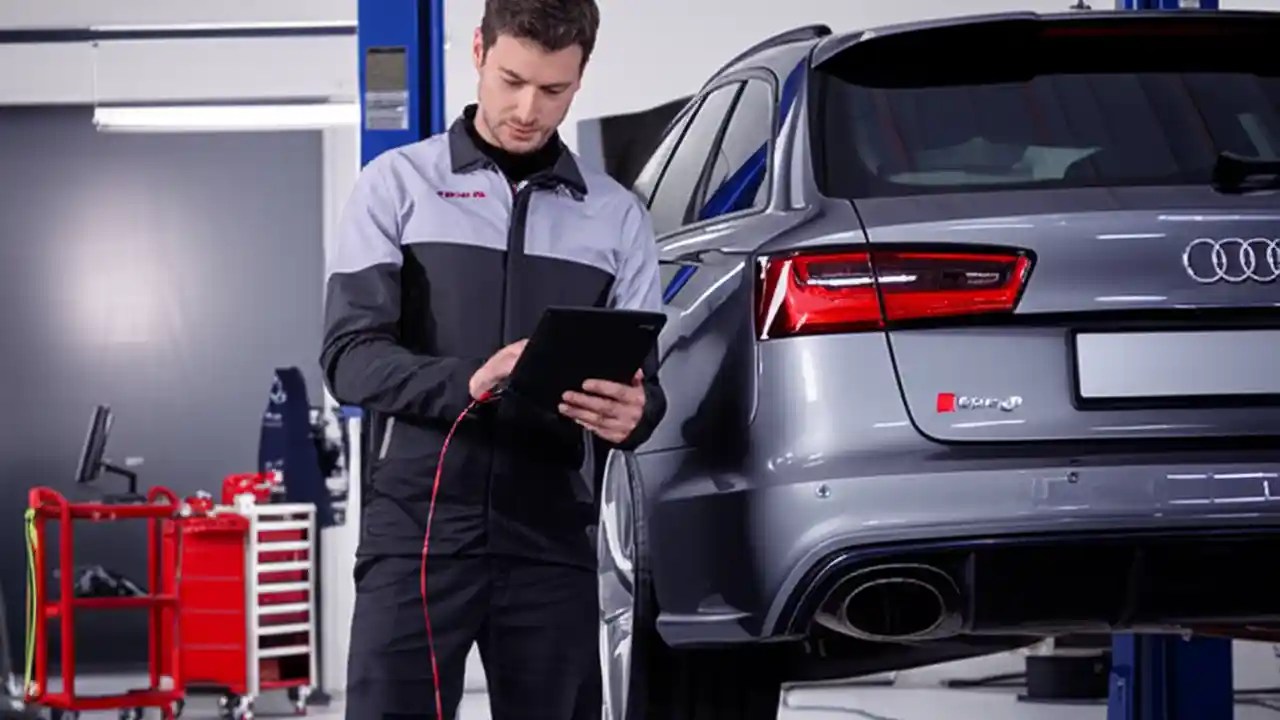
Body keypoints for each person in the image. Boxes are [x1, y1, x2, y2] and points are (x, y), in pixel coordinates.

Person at [320, 0, 666, 717]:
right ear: (477, 48)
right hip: (416, 537)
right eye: (511, 79)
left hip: (550, 543)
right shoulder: (396, 186)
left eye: (553, 90)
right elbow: (348, 359)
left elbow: (644, 388)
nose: (527, 109)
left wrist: (638, 414)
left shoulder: (617, 216)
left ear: (580, 77)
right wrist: (467, 382)